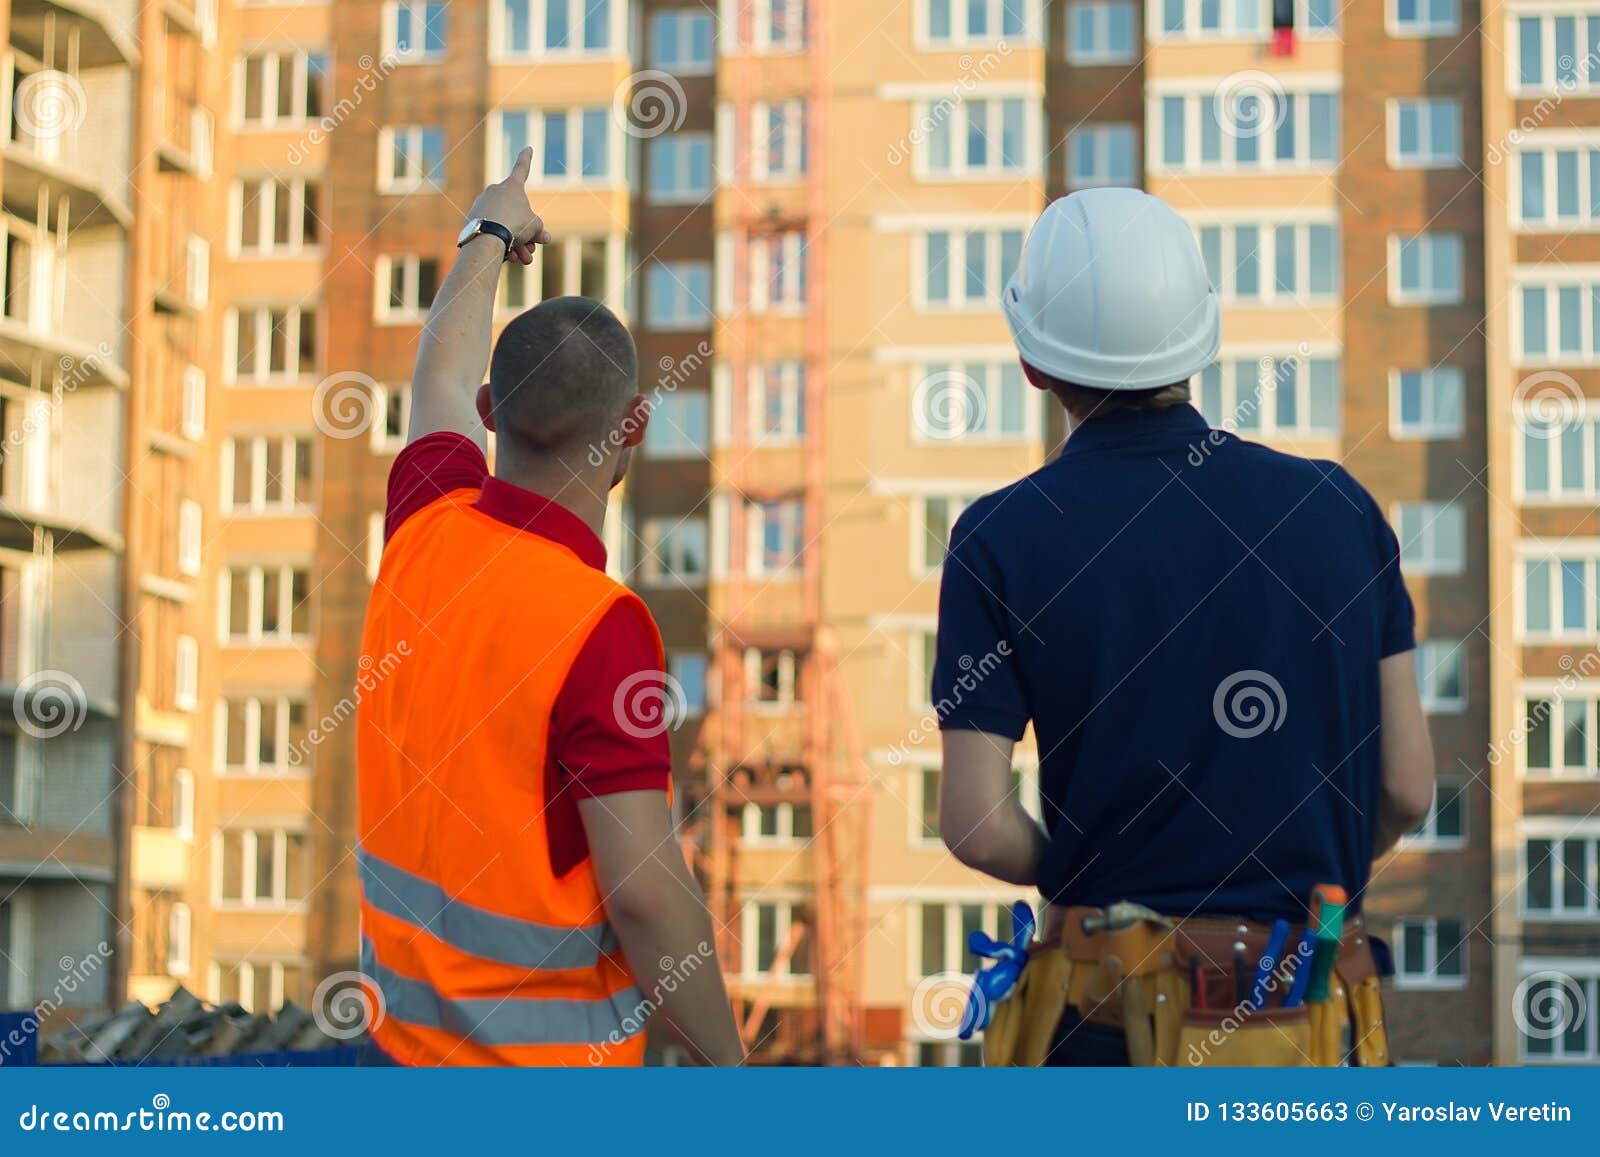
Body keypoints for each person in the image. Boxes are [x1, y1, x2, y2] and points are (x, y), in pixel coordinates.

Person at [932, 188, 1436, 1067]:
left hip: (1111, 1034)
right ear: (1203, 340)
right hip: (1307, 1025)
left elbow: (977, 822)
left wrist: (1092, 872)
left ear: (1032, 363)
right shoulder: (1338, 510)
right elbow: (1405, 790)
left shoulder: (1002, 536)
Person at [354, 149, 744, 1067]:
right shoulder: (603, 628)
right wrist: (734, 1074)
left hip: (394, 1060)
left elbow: (436, 376)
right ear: (634, 424)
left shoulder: (424, 523)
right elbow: (647, 897)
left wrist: (490, 229)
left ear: (493, 411)